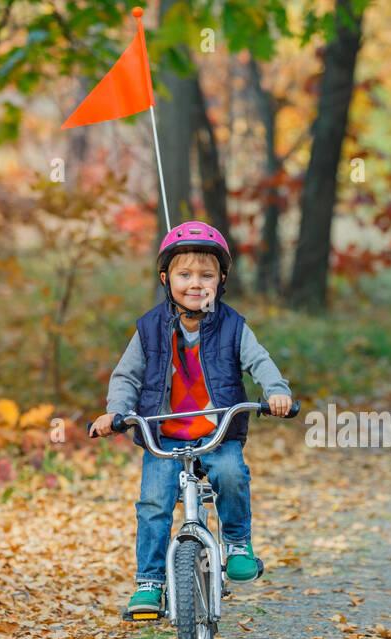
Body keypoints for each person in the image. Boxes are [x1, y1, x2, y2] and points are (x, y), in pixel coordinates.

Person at [89, 221, 292, 616]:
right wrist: (115, 411)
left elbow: (259, 361)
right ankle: (149, 581)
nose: (195, 283)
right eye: (185, 274)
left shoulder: (233, 326)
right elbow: (127, 376)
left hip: (217, 432)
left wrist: (276, 392)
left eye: (206, 275)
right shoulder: (149, 328)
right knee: (152, 502)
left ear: (221, 281)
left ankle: (235, 544)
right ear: (166, 279)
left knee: (232, 475)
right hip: (163, 436)